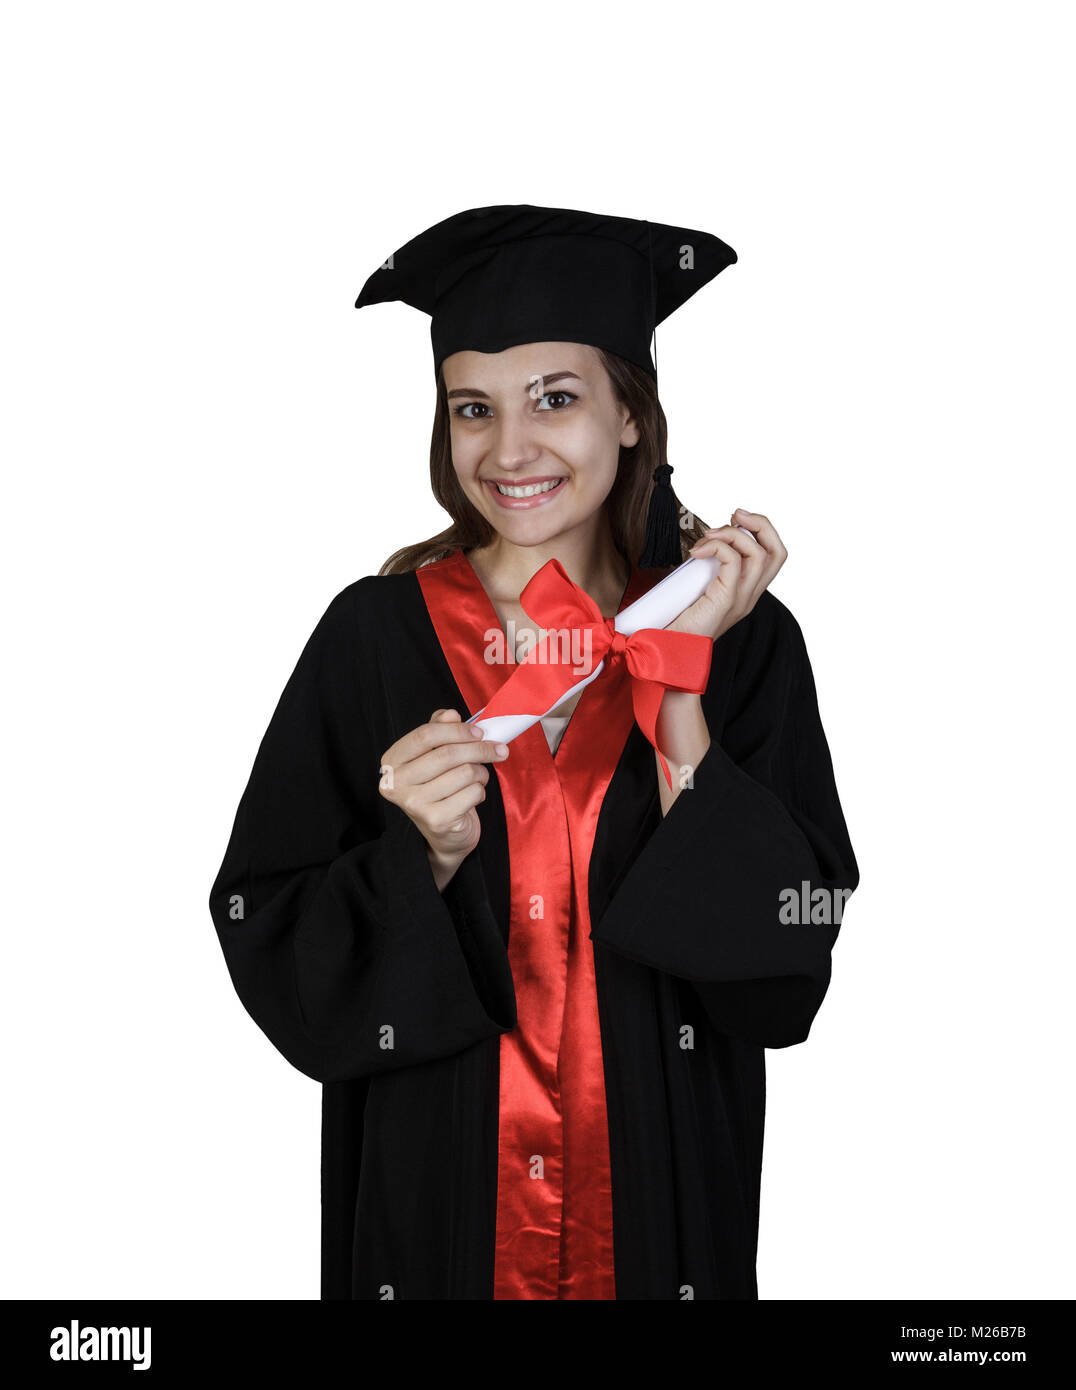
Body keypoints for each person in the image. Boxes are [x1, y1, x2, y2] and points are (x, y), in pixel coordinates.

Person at [208, 205, 859, 1300]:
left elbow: (787, 967)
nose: (508, 450)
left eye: (555, 398)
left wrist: (680, 706)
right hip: (435, 1220)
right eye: (473, 408)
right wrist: (419, 856)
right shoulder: (371, 640)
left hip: (661, 1222)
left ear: (631, 419)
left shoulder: (744, 641)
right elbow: (266, 928)